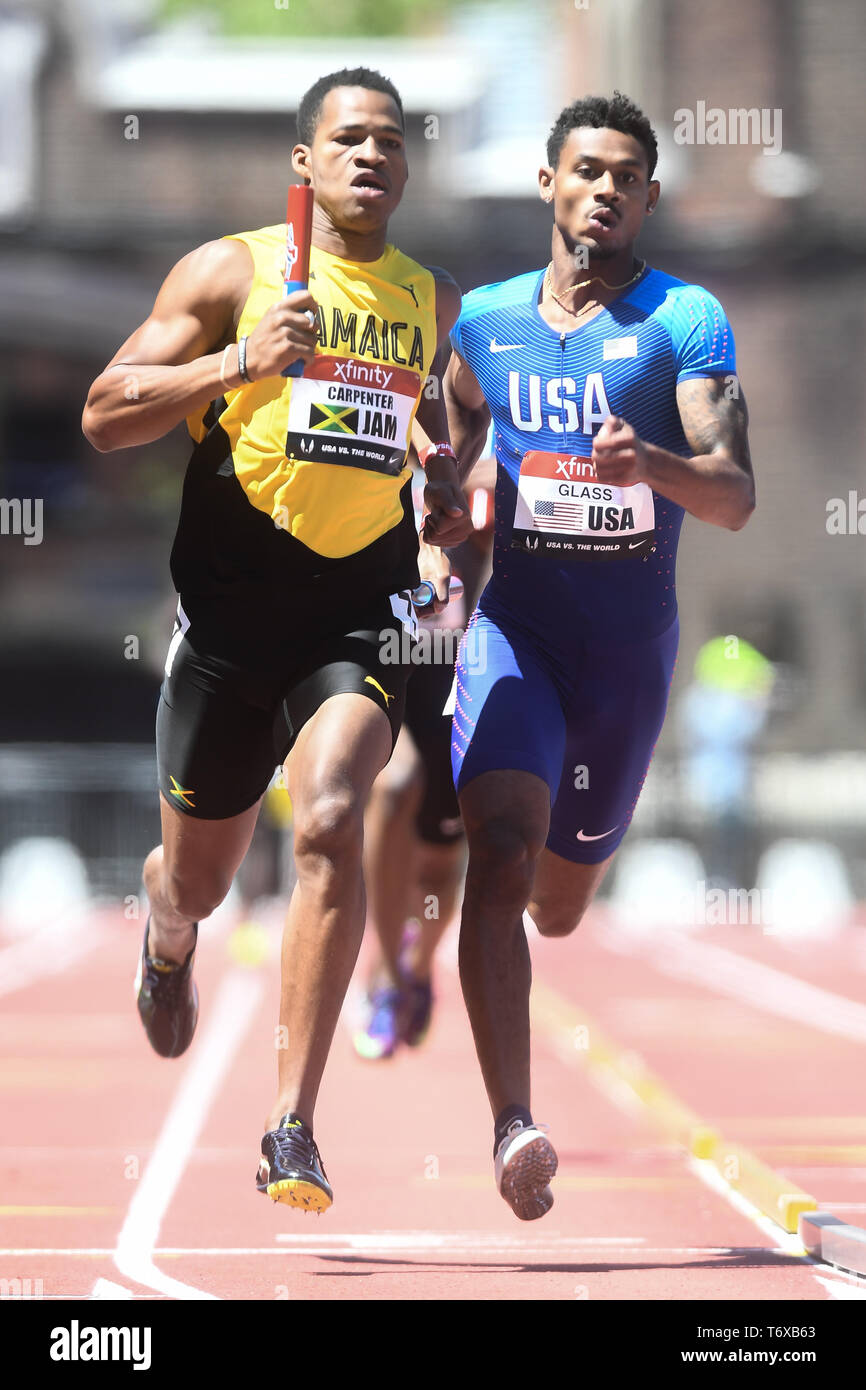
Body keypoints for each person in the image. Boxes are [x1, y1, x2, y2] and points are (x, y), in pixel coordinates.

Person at [82, 67, 471, 1214]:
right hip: (228, 622)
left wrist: (445, 486)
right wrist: (234, 365)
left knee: (336, 814)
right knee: (198, 878)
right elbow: (107, 412)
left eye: (390, 142)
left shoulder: (429, 299)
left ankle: (290, 1122)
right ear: (302, 163)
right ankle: (164, 931)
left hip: (356, 616)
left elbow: (445, 426)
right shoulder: (231, 270)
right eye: (347, 139)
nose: (371, 157)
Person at [443, 92, 755, 1220]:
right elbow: (454, 430)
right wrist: (449, 497)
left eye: (626, 174)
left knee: (559, 906)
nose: (604, 189)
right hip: (514, 631)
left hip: (626, 655)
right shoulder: (481, 320)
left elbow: (732, 496)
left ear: (649, 197)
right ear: (547, 184)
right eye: (585, 169)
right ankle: (513, 1125)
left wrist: (649, 468)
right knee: (502, 853)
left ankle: (547, 892)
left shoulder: (686, 322)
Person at [355, 451, 496, 1060]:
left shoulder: (495, 430)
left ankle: (417, 965)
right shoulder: (376, 423)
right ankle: (386, 976)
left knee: (440, 867)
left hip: (453, 670)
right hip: (383, 659)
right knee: (392, 786)